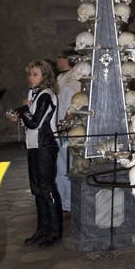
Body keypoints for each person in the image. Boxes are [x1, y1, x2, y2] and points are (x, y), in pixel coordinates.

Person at [6, 60, 62, 247]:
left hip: (45, 145)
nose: (31, 78)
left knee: (46, 188)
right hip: (34, 145)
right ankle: (42, 230)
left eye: (35, 74)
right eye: (30, 74)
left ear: (45, 76)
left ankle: (54, 232)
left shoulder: (46, 95)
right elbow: (30, 123)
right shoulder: (35, 95)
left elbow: (35, 123)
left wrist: (22, 110)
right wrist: (20, 115)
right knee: (37, 190)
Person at [55, 50, 81, 216]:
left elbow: (73, 106)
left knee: (66, 165)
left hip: (68, 129)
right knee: (60, 165)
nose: (57, 60)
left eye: (60, 57)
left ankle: (69, 204)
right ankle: (64, 202)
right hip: (60, 126)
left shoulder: (74, 79)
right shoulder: (62, 78)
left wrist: (65, 124)